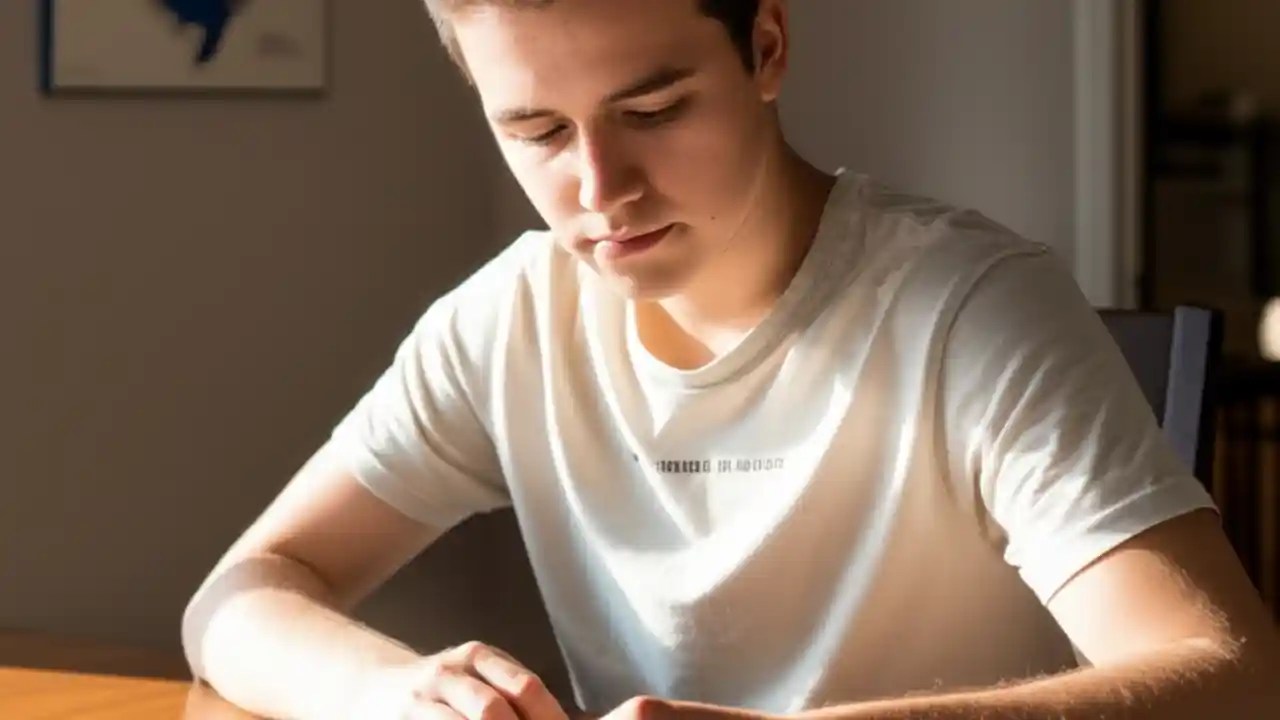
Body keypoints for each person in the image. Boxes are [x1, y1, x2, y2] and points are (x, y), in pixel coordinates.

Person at [182, 1, 1280, 718]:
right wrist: (395, 694)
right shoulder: (511, 315)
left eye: (651, 110)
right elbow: (240, 593)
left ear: (765, 49)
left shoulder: (968, 308)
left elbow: (1229, 677)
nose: (599, 190)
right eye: (537, 133)